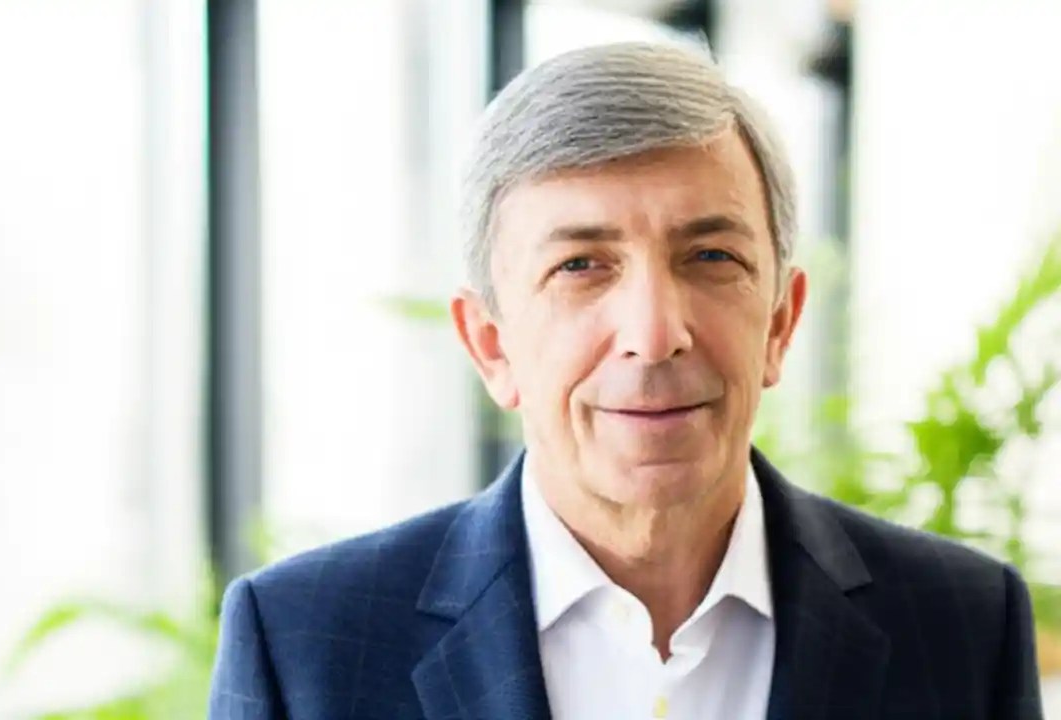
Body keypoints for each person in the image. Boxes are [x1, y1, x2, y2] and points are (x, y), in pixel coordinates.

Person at [207, 41, 1043, 719]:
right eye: (582, 266)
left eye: (711, 257)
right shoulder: (306, 646)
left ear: (781, 323)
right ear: (492, 344)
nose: (653, 335)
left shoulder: (964, 626)